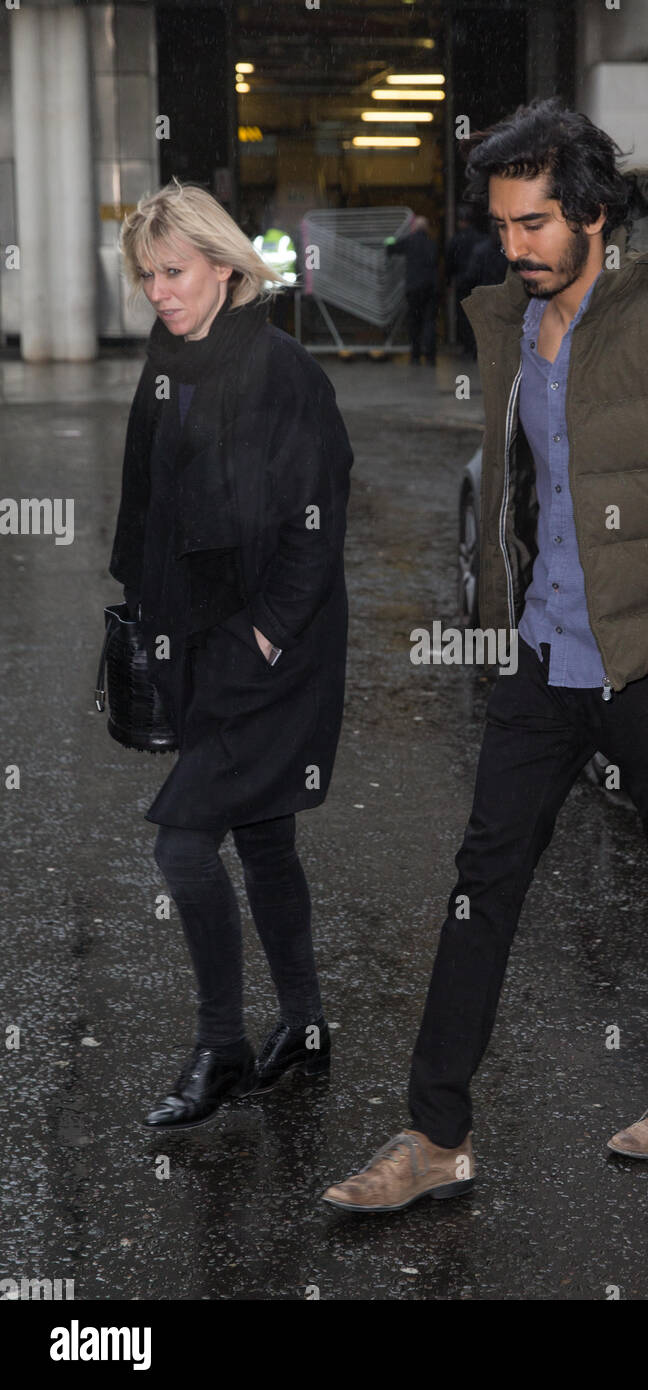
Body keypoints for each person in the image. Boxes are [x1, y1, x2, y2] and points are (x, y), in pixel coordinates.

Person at [322, 99, 648, 1213]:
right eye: (502, 226)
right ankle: (435, 1134)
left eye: (535, 225)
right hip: (542, 662)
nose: (513, 248)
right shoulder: (513, 322)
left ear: (595, 214)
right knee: (480, 886)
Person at [109, 180, 353, 1130]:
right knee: (264, 835)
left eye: (173, 272)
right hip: (197, 643)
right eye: (145, 277)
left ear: (225, 266)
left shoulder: (283, 370)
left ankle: (223, 1046)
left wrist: (262, 634)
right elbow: (149, 504)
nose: (159, 292)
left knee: (182, 840)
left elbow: (317, 521)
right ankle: (306, 1025)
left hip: (275, 650)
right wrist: (144, 617)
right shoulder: (168, 363)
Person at [385, 214, 439, 364]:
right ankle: (430, 357)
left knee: (414, 322)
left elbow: (391, 246)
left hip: (414, 288)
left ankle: (415, 356)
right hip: (430, 288)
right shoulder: (432, 243)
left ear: (414, 227)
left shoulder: (410, 241)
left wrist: (389, 239)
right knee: (429, 322)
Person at [445, 205, 481, 355]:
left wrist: (448, 282)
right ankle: (475, 346)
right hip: (477, 282)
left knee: (463, 316)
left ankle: (468, 346)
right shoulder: (479, 238)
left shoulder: (456, 240)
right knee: (477, 316)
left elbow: (449, 262)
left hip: (462, 282)